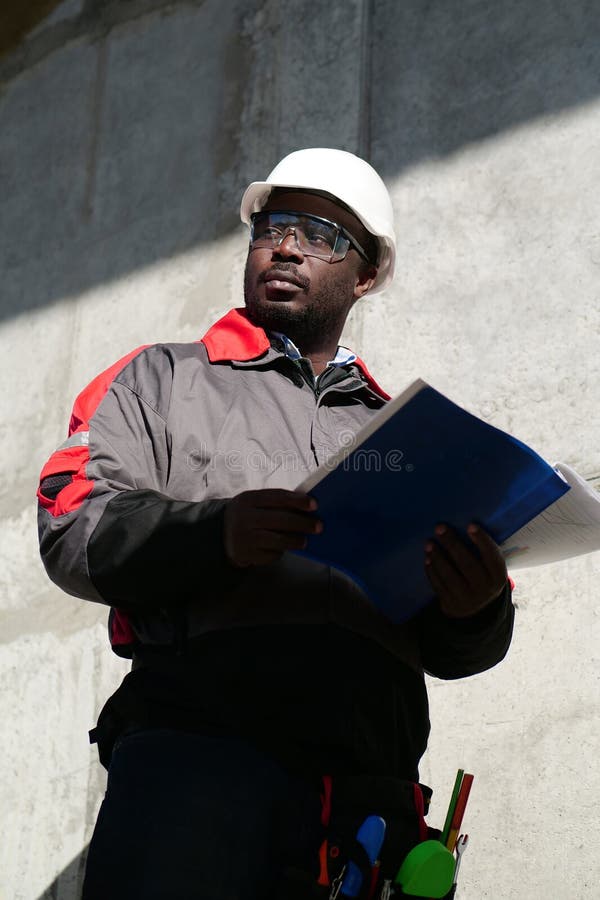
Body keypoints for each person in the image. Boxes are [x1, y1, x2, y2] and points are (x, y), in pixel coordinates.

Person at [37, 148, 514, 899]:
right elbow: (72, 523)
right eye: (275, 225)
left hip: (374, 805)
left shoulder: (405, 435)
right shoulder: (158, 380)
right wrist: (216, 534)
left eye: (322, 235)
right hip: (196, 782)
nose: (287, 245)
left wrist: (478, 609)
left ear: (364, 276)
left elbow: (451, 647)